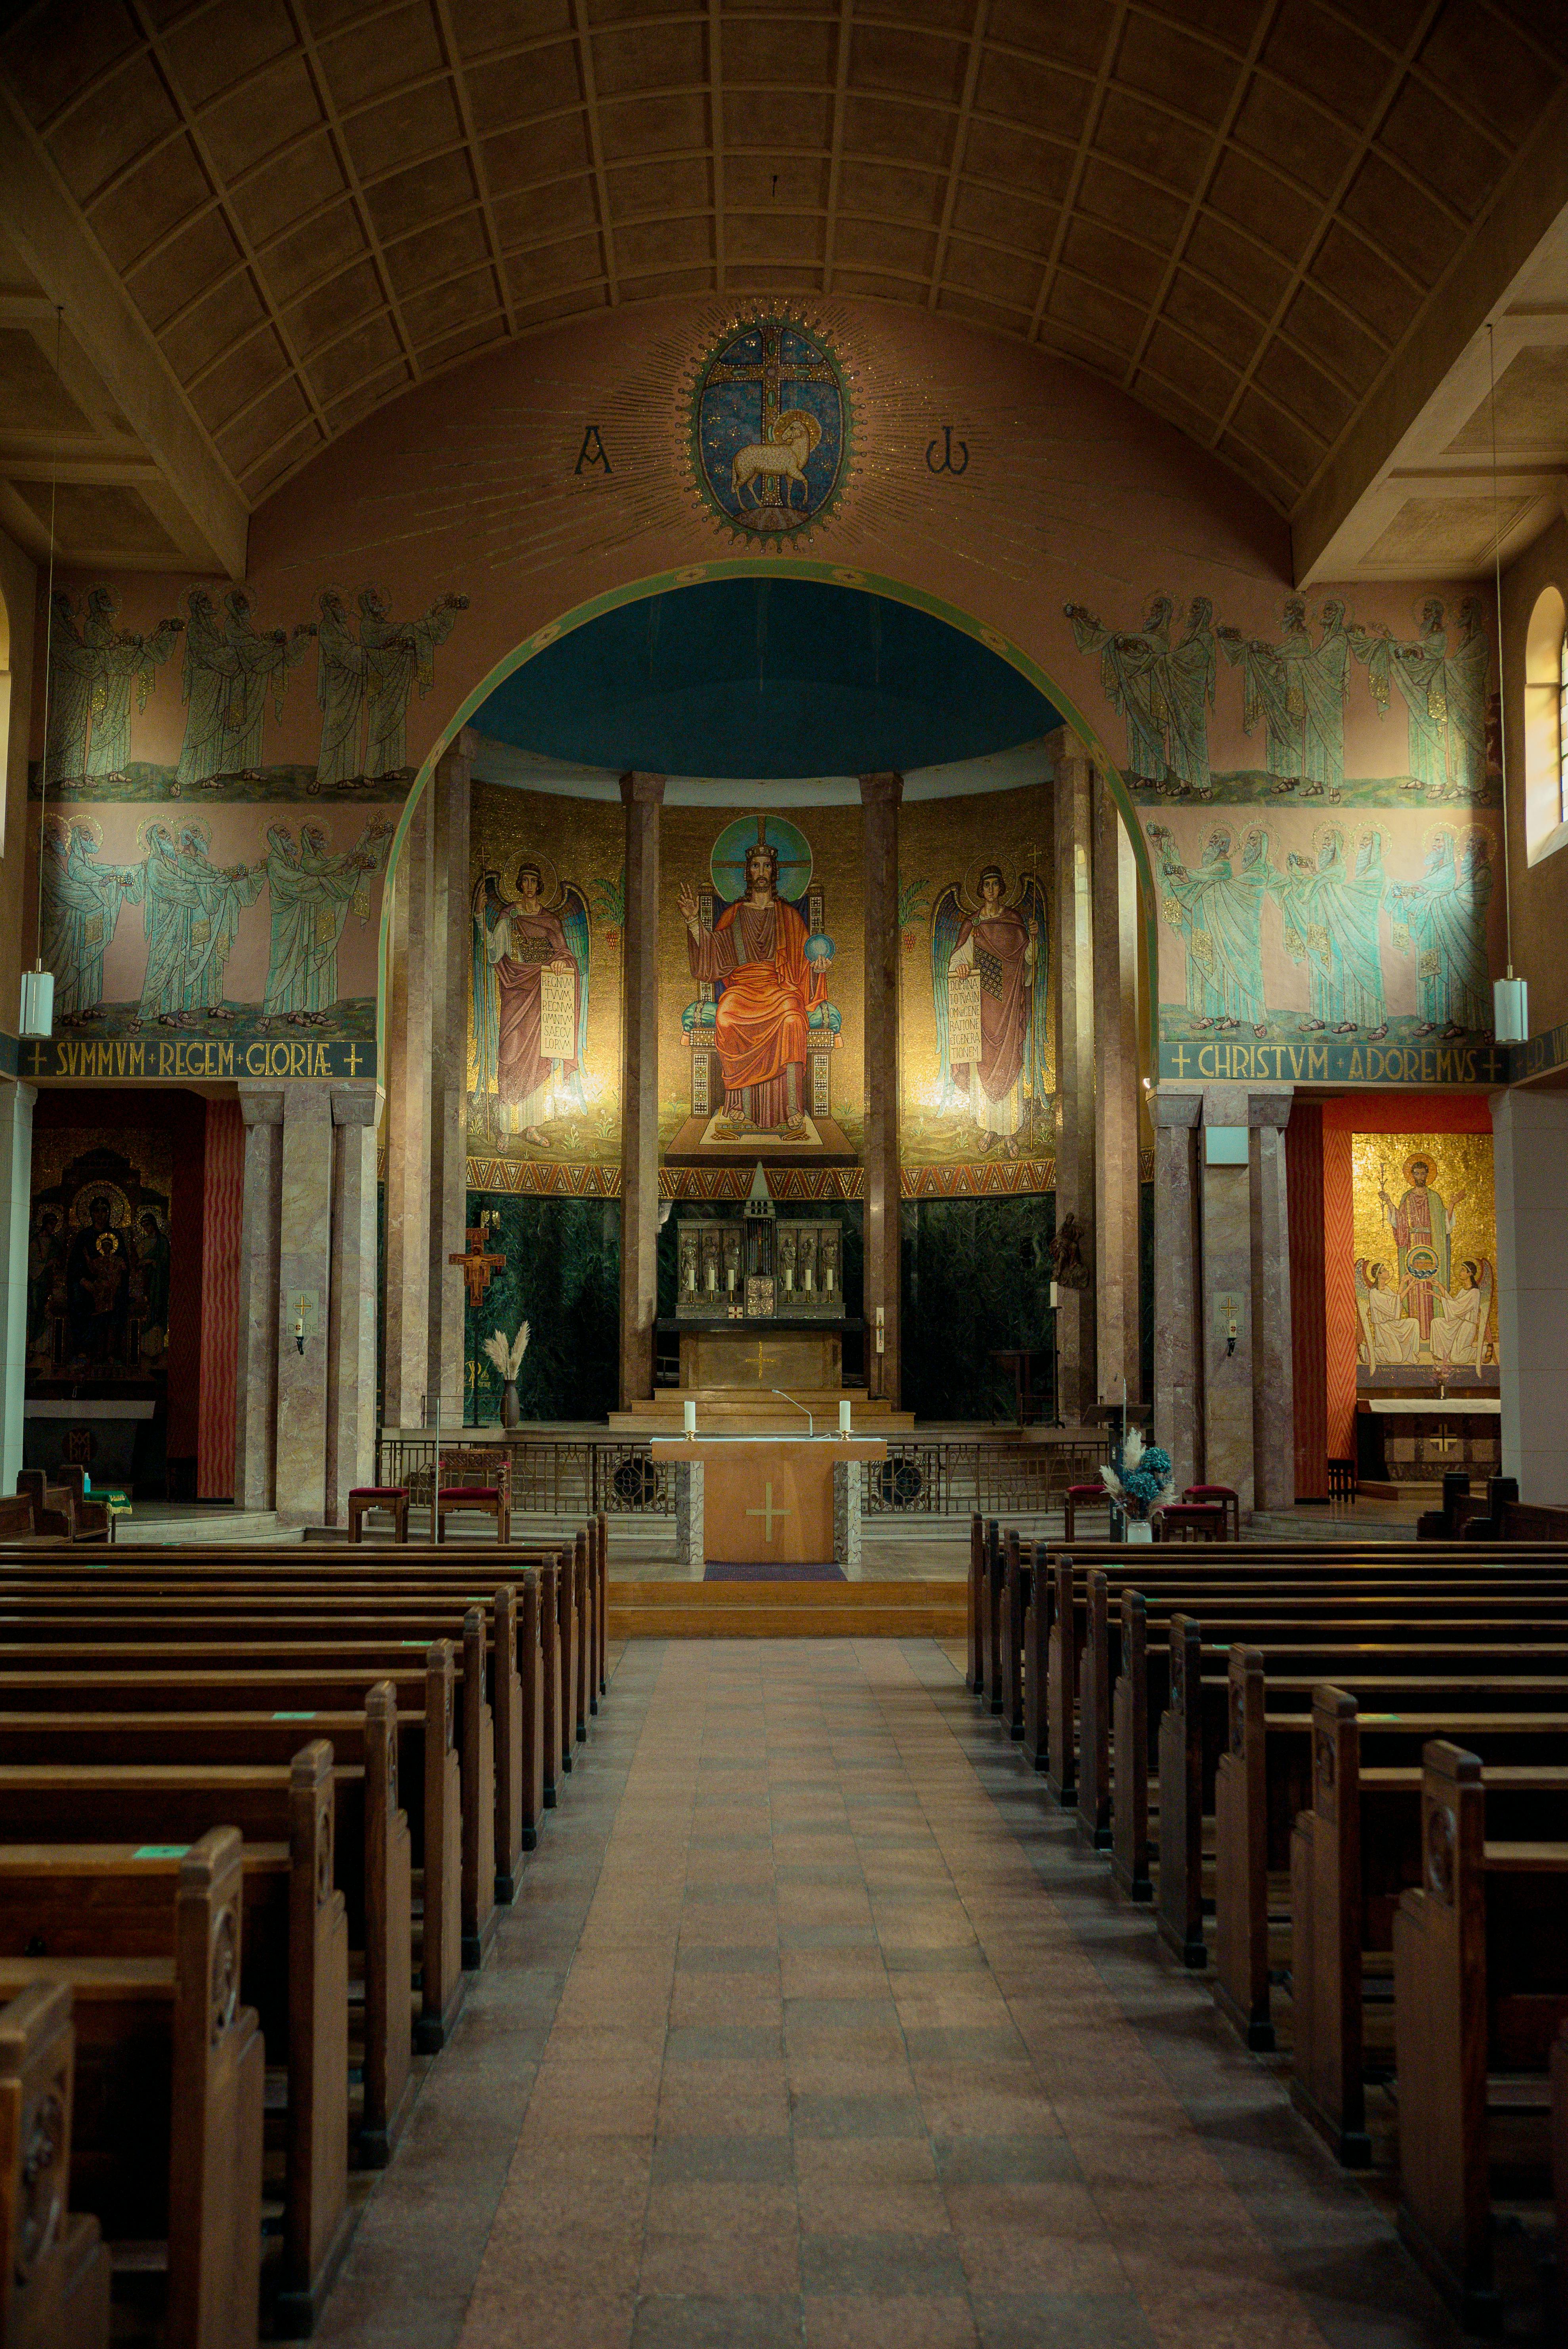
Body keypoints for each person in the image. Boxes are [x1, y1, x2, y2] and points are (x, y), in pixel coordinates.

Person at [680, 840, 829, 1138]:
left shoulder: (788, 915)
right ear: (747, 872)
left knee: (792, 1020)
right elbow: (713, 954)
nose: (761, 871)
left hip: (780, 988)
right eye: (755, 865)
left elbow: (804, 961)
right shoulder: (734, 914)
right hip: (742, 988)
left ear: (774, 872)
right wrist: (693, 921)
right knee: (726, 1018)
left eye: (766, 866)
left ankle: (791, 1108)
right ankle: (738, 1103)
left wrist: (817, 969)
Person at [483, 863, 584, 1145]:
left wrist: (561, 962)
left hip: (542, 991)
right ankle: (505, 1128)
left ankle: (531, 1127)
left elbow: (563, 952)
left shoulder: (551, 920)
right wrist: (480, 915)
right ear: (519, 884)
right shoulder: (509, 915)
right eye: (524, 880)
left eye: (533, 881)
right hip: (515, 989)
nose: (529, 886)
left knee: (539, 1057)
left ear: (539, 885)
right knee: (510, 1053)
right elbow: (494, 951)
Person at [945, 867, 1041, 1151]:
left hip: (1009, 1005)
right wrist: (960, 966)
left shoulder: (1014, 922)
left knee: (1009, 1060)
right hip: (982, 1005)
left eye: (994, 884)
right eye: (985, 884)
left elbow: (1028, 962)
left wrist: (1033, 938)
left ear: (1001, 888)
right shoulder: (972, 924)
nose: (990, 889)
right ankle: (988, 1129)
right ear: (980, 889)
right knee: (983, 1063)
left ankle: (1010, 1133)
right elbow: (958, 959)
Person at [1378, 1155, 1463, 1345]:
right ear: (1412, 1175)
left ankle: (1435, 1335)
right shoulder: (1407, 1197)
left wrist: (1452, 1204)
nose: (1420, 1176)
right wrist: (1390, 1202)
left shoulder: (1434, 1198)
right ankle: (1417, 1335)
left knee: (1430, 1283)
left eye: (1423, 1173)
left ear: (1427, 1175)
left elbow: (1444, 1224)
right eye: (1416, 1173)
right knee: (1415, 1285)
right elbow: (1399, 1220)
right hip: (1412, 1245)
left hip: (1432, 1245)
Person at [65, 1194, 129, 1367]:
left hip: (111, 1285)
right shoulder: (84, 1236)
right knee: (79, 1299)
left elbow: (124, 1265)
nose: (100, 1214)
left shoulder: (116, 1235)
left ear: (109, 1214)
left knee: (118, 1301)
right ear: (91, 1213)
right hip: (87, 1285)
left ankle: (111, 1353)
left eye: (104, 1211)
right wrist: (84, 1282)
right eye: (97, 1211)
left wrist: (115, 1281)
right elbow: (75, 1265)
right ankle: (82, 1351)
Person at [1430, 1260, 1486, 1373]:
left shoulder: (1474, 1292)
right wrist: (1440, 1288)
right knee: (1436, 1322)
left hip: (1468, 1324)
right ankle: (1440, 1354)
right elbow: (1453, 1304)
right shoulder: (1464, 1290)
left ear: (1470, 1274)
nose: (1460, 1273)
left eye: (1463, 1271)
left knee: (1457, 1358)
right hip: (1459, 1322)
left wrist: (1436, 1295)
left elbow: (1457, 1307)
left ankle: (1483, 1350)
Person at [1362, 1261, 1421, 1365]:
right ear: (1379, 1275)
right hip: (1384, 1328)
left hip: (1393, 1324)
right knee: (1396, 1358)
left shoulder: (1387, 1289)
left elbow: (1396, 1302)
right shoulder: (1375, 1293)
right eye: (1384, 1270)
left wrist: (1403, 1282)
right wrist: (1409, 1287)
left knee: (1414, 1322)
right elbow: (1395, 1304)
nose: (1388, 1271)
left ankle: (1410, 1354)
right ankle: (1367, 1352)